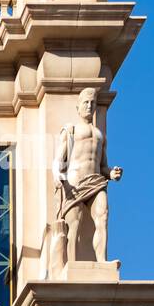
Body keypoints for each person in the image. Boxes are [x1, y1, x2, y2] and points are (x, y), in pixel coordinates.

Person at [51, 87, 123, 266]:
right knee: (74, 224)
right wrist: (60, 178)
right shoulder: (71, 130)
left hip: (96, 181)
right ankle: (72, 264)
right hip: (74, 183)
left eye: (92, 103)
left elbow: (102, 165)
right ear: (78, 107)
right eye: (85, 103)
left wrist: (111, 173)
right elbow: (59, 159)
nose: (89, 106)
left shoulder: (100, 135)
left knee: (103, 216)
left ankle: (102, 260)